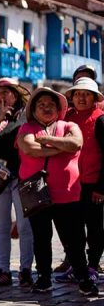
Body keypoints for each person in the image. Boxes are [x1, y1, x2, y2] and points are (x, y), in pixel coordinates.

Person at [16, 88, 97, 297]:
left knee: (74, 239)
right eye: (41, 104)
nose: (46, 107)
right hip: (36, 192)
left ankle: (83, 278)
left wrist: (44, 141)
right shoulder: (26, 127)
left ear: (59, 108)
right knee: (41, 238)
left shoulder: (70, 125)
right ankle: (44, 278)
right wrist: (60, 148)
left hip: (67, 193)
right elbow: (29, 149)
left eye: (50, 104)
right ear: (33, 110)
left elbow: (76, 142)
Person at [0, 78, 34, 288]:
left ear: (16, 95)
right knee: (0, 226)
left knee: (23, 225)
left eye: (7, 92)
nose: (3, 96)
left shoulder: (26, 118)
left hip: (20, 178)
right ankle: (2, 270)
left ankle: (26, 270)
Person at [62, 77, 104, 280]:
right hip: (71, 185)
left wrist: (101, 188)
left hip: (93, 185)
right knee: (73, 228)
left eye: (86, 94)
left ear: (94, 98)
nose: (81, 98)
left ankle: (93, 265)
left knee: (95, 228)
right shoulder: (68, 118)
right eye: (77, 94)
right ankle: (78, 265)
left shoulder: (101, 119)